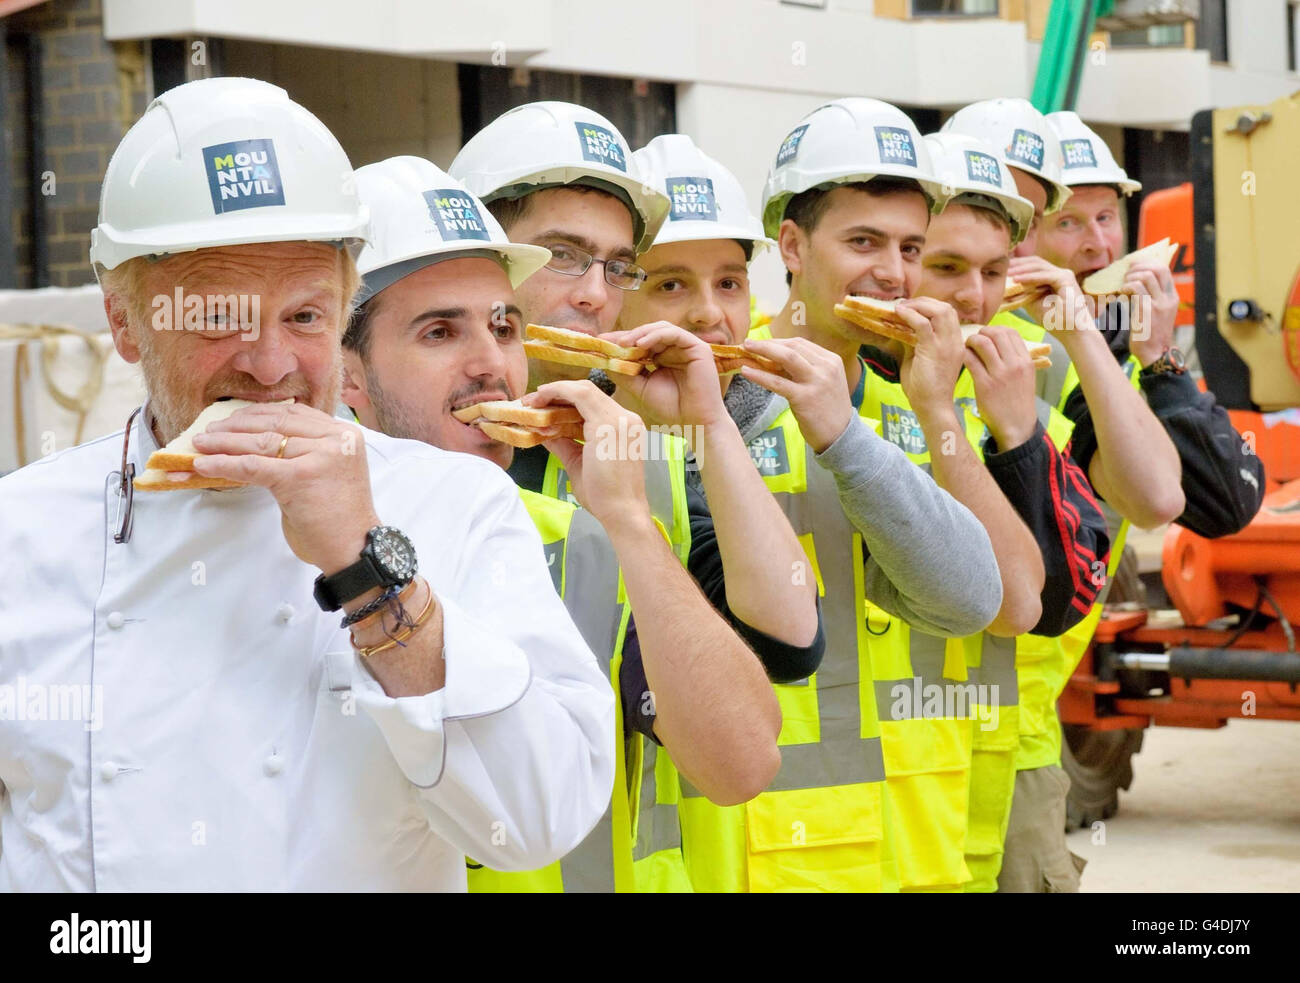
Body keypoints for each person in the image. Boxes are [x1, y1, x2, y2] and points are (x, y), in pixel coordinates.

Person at [0, 78, 614, 892]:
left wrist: (368, 570)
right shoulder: (23, 529)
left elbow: (539, 818)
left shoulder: (456, 504)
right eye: (218, 318)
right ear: (123, 321)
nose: (270, 363)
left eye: (305, 316)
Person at [340, 156, 792, 892]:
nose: (492, 365)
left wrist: (629, 524)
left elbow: (742, 760)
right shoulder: (278, 544)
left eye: (503, 326)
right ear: (346, 374)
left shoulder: (571, 537)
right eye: (439, 333)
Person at [618, 128, 1007, 891]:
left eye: (730, 283)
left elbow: (979, 599)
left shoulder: (886, 408)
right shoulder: (599, 443)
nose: (707, 315)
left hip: (893, 841)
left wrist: (856, 436)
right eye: (670, 285)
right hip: (715, 846)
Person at [449, 103, 825, 708]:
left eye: (617, 267)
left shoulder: (643, 447)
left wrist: (709, 426)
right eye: (563, 256)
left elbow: (790, 646)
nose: (596, 295)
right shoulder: (388, 435)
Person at [911, 131, 1111, 891]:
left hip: (1001, 768)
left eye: (993, 271)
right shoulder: (808, 393)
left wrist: (1018, 436)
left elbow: (1052, 599)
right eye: (946, 267)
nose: (973, 296)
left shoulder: (1018, 396)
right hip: (873, 800)